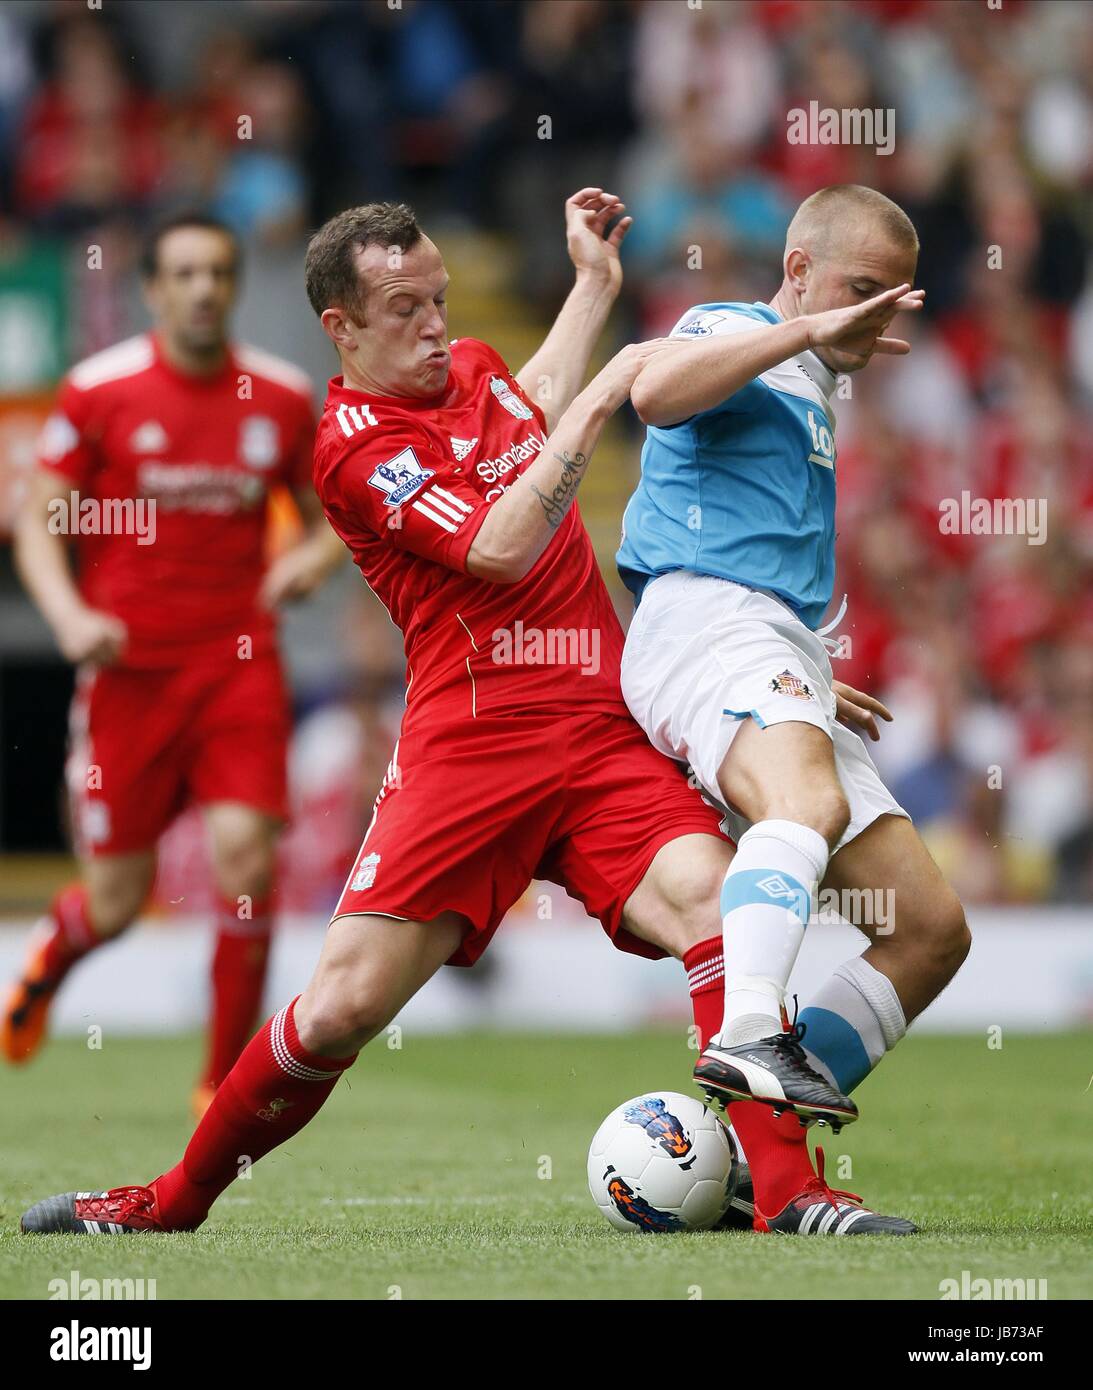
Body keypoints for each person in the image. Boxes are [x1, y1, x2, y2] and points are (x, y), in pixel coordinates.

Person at [19, 190, 914, 1239]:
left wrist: (593, 290)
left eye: (441, 298)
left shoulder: (475, 369)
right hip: (469, 744)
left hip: (592, 725)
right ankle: (168, 1203)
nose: (438, 325)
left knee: (719, 905)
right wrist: (612, 386)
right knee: (343, 1005)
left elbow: (522, 414)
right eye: (406, 309)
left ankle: (789, 1194)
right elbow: (497, 539)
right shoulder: (349, 446)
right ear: (340, 329)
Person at [617, 184, 971, 1220]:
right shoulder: (734, 326)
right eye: (859, 290)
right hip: (703, 624)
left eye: (892, 300)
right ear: (801, 268)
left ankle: (747, 1164)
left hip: (774, 644)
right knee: (801, 810)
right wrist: (801, 328)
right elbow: (655, 393)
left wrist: (810, 669)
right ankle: (744, 1033)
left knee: (927, 928)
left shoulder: (811, 378)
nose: (874, 315)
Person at [4, 213, 345, 1116]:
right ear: (153, 290)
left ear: (232, 287)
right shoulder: (97, 391)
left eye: (217, 273)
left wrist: (304, 565)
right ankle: (51, 961)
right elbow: (39, 521)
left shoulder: (276, 398)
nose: (202, 289)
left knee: (246, 858)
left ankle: (219, 1085)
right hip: (129, 675)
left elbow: (327, 521)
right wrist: (71, 615)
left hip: (237, 668)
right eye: (184, 274)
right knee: (117, 901)